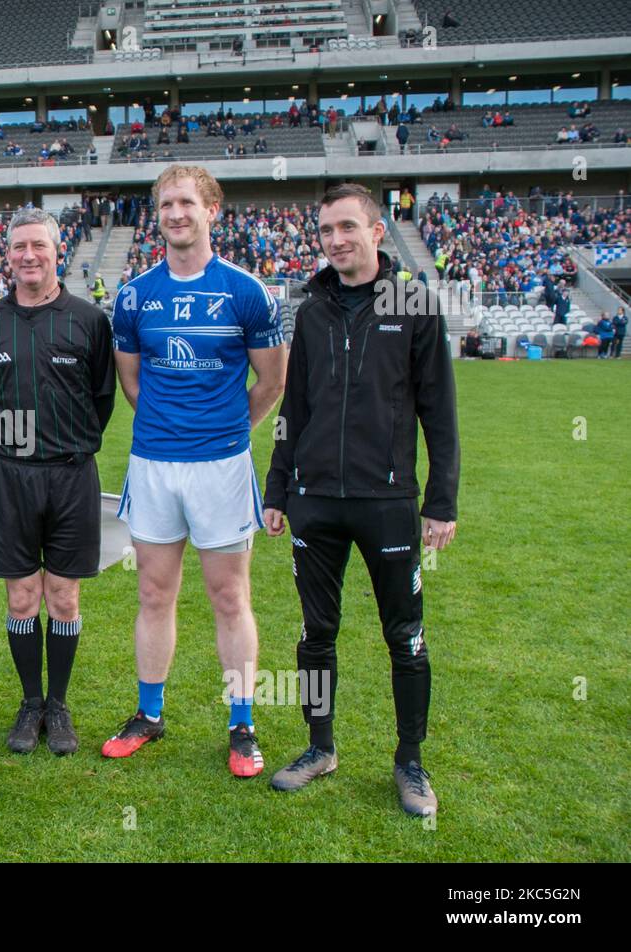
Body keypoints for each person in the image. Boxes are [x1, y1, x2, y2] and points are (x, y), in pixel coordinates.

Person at [263, 183, 459, 818]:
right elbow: (294, 408)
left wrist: (441, 501)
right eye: (326, 230)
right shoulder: (311, 310)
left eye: (348, 226)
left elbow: (441, 413)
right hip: (315, 500)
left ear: (377, 232)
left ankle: (410, 762)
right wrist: (277, 487)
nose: (336, 240)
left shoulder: (416, 305)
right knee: (315, 633)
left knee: (405, 636)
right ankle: (320, 747)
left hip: (388, 500)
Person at [103, 165, 287, 776]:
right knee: (154, 592)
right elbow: (132, 384)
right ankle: (149, 714)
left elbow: (272, 381)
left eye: (186, 203)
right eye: (165, 205)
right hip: (154, 464)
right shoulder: (133, 296)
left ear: (213, 209)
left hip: (221, 467)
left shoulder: (248, 292)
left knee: (229, 596)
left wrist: (227, 433)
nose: (174, 214)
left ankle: (242, 724)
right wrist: (171, 431)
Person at [0, 208, 116, 755]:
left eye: (39, 246)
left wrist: (67, 444)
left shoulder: (90, 321)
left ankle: (60, 703)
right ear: (7, 256)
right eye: (19, 247)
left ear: (57, 251)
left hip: (72, 475)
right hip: (8, 476)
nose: (29, 255)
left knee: (64, 599)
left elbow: (102, 402)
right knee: (22, 596)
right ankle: (30, 703)